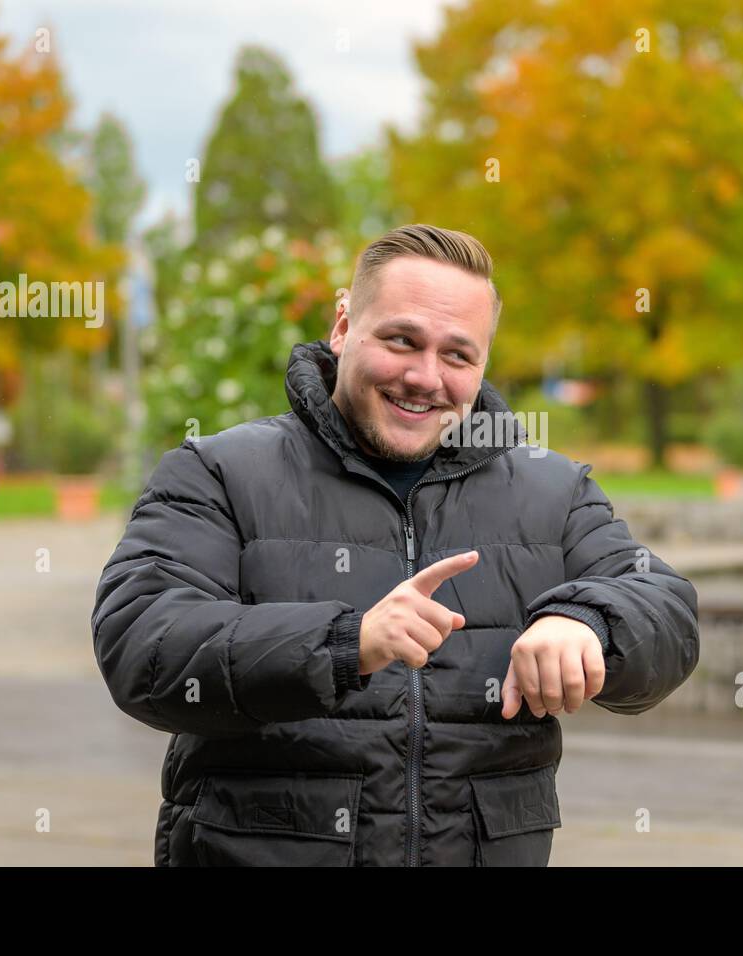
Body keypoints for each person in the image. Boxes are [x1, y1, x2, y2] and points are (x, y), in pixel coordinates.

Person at [91, 223, 700, 866]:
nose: (424, 377)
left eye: (458, 356)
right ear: (343, 326)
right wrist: (342, 644)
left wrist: (588, 624)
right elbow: (142, 643)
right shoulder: (219, 472)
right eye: (401, 340)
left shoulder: (553, 491)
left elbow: (669, 612)